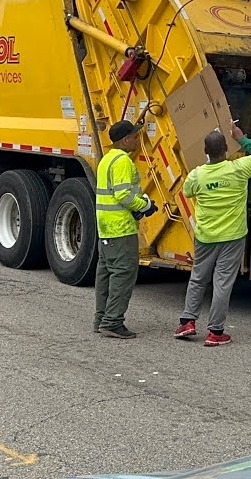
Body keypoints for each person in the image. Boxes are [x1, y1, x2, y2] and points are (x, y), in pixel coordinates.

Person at [175, 122, 251, 347]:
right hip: (232, 237)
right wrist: (241, 137)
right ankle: (215, 332)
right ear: (226, 150)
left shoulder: (198, 175)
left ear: (205, 152)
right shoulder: (239, 168)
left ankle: (187, 322)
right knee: (222, 283)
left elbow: (187, 192)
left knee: (198, 278)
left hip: (206, 236)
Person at [94, 120, 156, 339]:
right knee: (123, 274)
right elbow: (123, 196)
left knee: (106, 274)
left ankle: (101, 318)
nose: (137, 140)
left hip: (106, 227)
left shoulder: (106, 159)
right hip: (120, 228)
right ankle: (112, 322)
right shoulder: (123, 162)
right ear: (125, 140)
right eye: (134, 136)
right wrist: (145, 206)